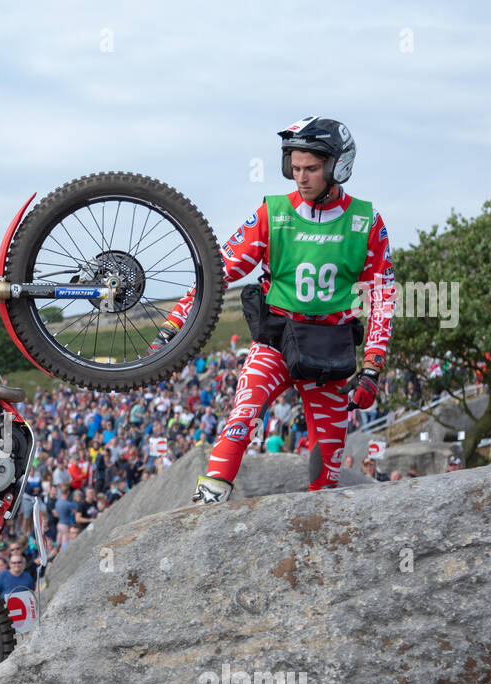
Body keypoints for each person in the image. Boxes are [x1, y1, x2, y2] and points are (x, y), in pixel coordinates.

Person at [151, 117, 397, 503]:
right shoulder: (272, 212)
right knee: (244, 413)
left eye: (312, 169)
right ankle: (211, 495)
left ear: (338, 166)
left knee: (328, 455)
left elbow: (383, 296)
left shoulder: (367, 222)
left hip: (329, 350)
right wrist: (177, 318)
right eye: (295, 168)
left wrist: (372, 368)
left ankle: (321, 518)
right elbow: (219, 268)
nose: (301, 177)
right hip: (277, 340)